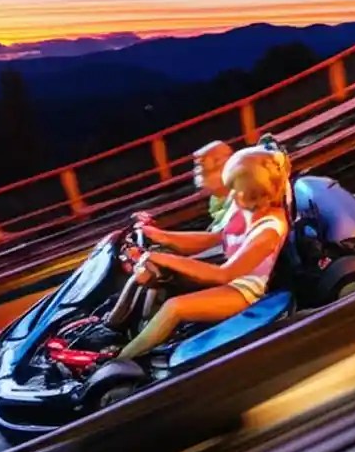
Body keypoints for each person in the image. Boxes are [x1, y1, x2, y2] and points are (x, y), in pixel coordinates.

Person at [104, 144, 292, 361]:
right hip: (227, 278)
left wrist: (167, 258)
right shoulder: (247, 207)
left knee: (175, 307)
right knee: (150, 275)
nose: (231, 196)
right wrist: (161, 236)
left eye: (236, 191)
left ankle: (119, 360)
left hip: (242, 291)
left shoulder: (269, 231)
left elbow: (224, 274)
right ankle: (111, 329)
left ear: (254, 193)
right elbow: (217, 238)